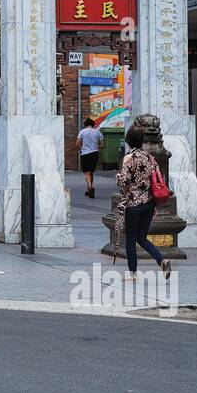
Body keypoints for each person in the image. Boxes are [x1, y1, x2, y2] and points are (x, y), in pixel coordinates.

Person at [115, 126, 171, 281]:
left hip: (133, 204)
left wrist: (118, 176)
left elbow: (123, 180)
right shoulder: (149, 157)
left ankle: (132, 274)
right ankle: (161, 260)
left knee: (131, 239)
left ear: (128, 140)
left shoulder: (129, 158)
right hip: (149, 203)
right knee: (142, 237)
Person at [77, 117, 104, 198]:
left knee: (87, 172)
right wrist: (96, 146)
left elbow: (77, 143)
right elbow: (102, 145)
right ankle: (88, 190)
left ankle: (90, 186)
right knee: (91, 172)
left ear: (85, 125)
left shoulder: (82, 132)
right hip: (95, 153)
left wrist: (81, 149)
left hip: (85, 154)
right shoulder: (98, 132)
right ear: (93, 124)